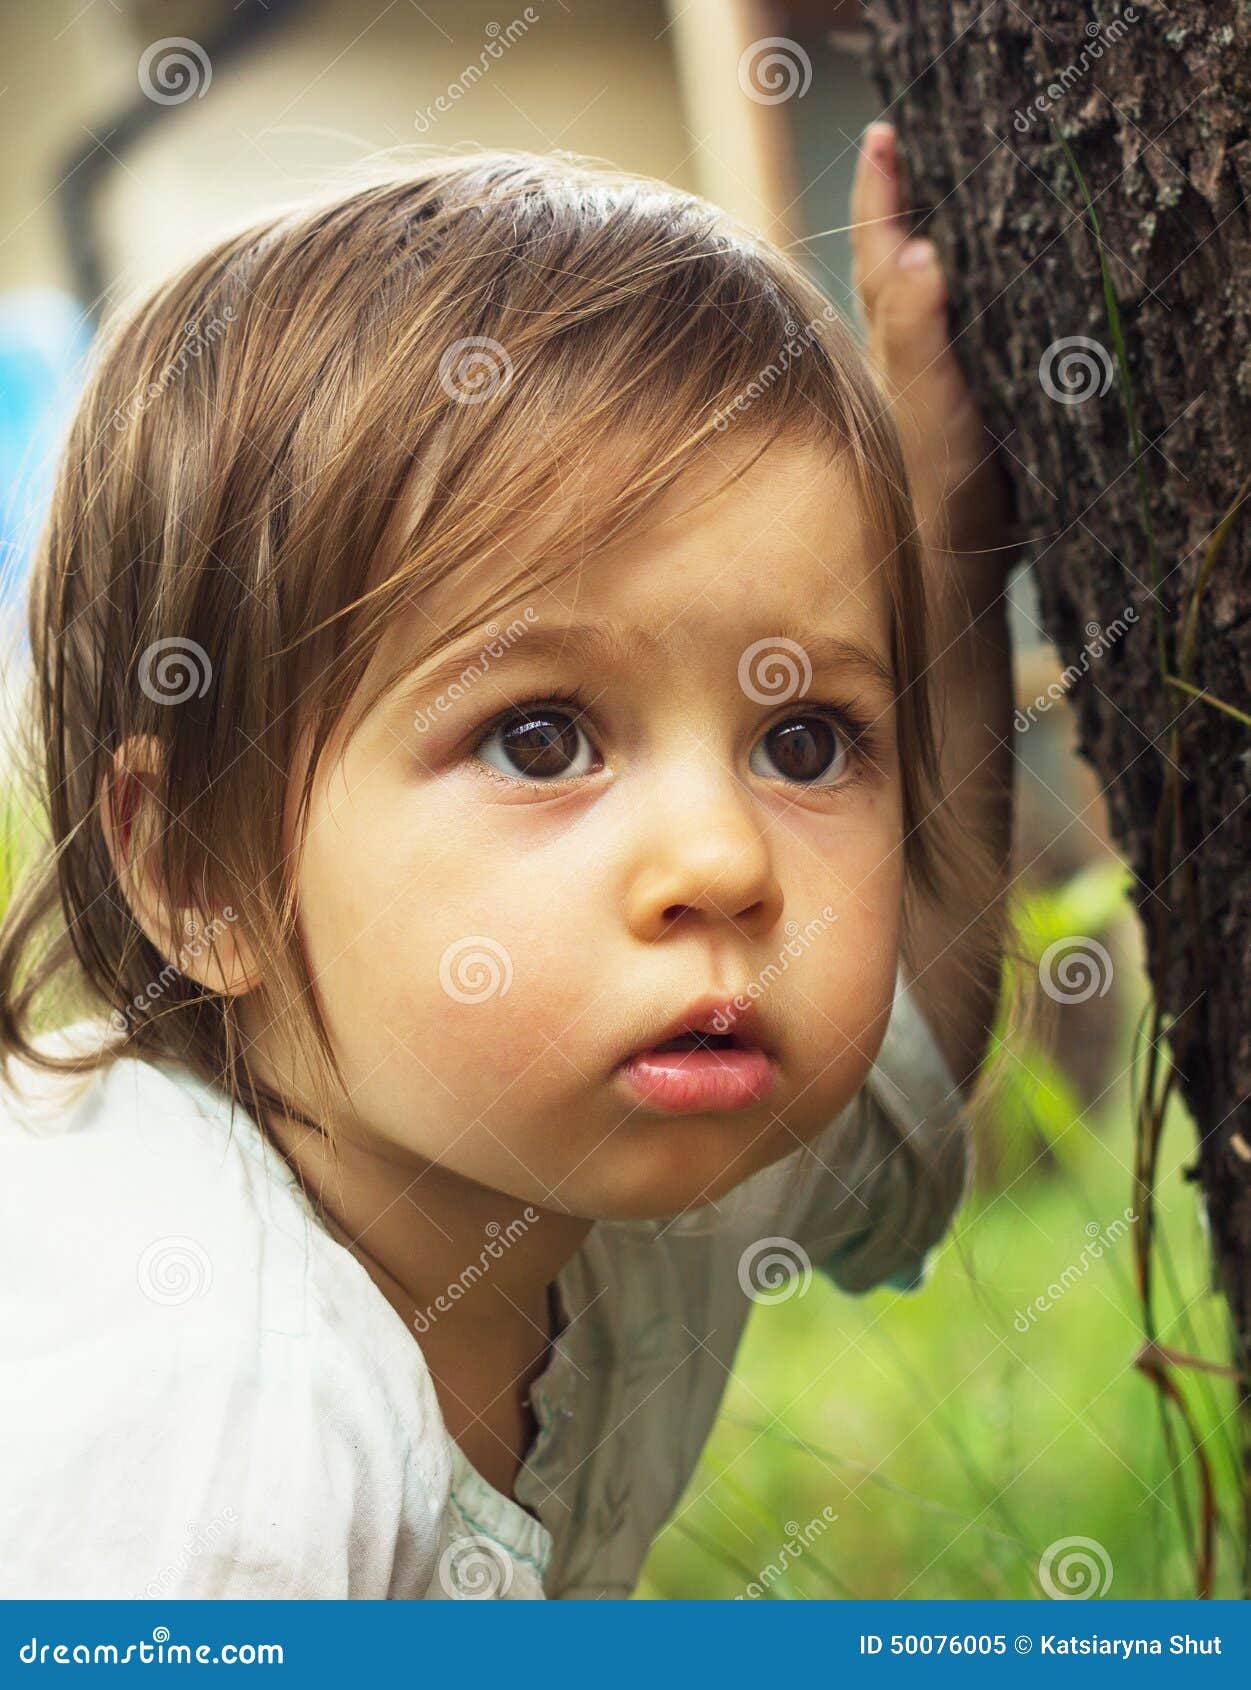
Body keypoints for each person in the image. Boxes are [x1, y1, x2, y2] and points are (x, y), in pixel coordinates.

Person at [0, 126, 1016, 1599]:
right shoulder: (204, 1439)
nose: (725, 861)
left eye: (804, 740)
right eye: (541, 740)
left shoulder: (612, 1130)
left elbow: (915, 1022)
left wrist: (950, 532)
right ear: (198, 871)